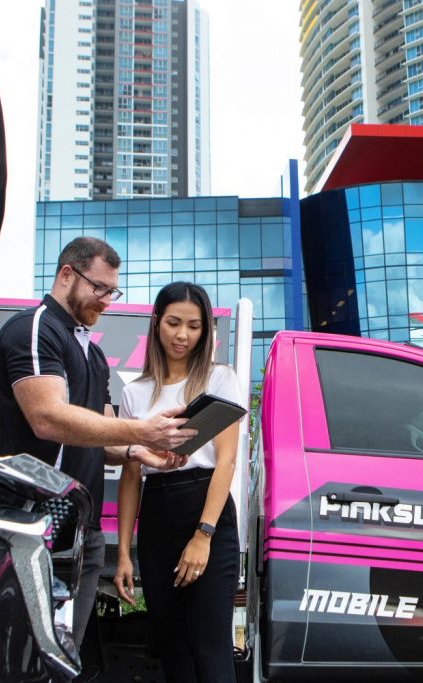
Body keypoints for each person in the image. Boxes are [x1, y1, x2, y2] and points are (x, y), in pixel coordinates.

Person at [0, 236, 196, 649]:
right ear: (67, 274)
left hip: (85, 530)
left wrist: (142, 453)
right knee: (23, 654)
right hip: (35, 520)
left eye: (112, 291)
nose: (106, 300)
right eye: (99, 288)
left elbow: (102, 434)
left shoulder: (95, 355)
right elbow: (47, 417)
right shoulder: (33, 329)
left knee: (65, 658)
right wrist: (140, 430)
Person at [113, 281, 242, 683]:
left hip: (207, 510)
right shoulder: (135, 392)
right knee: (172, 649)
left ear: (206, 332)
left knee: (211, 649)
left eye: (194, 326)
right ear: (156, 323)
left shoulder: (219, 379)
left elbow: (227, 459)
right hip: (156, 515)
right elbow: (131, 475)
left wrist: (203, 534)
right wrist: (122, 552)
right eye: (173, 323)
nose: (182, 335)